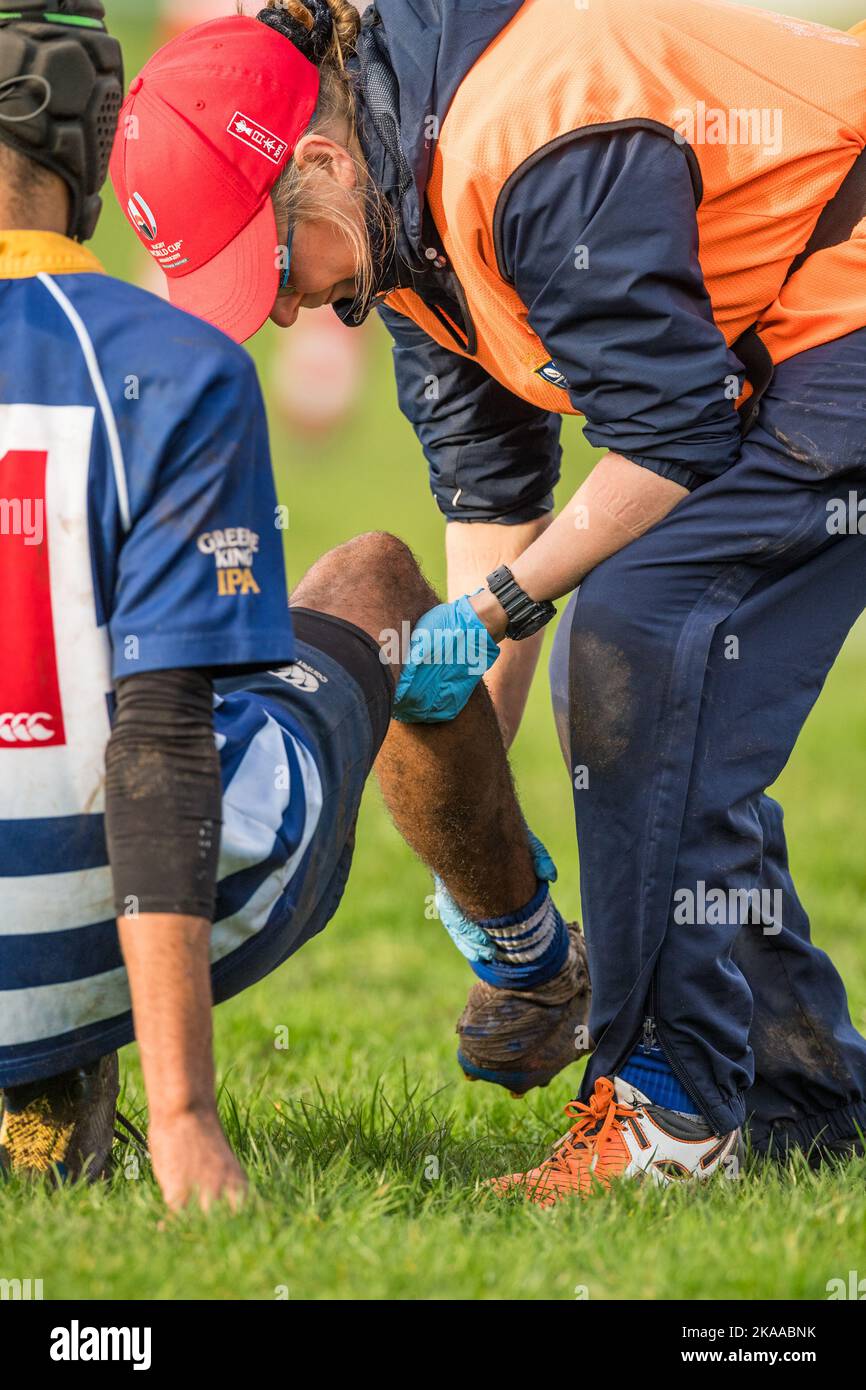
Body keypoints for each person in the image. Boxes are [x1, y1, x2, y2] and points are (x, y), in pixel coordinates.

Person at [111, 0, 866, 1199]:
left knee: (643, 640)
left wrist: (511, 605)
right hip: (779, 337)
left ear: (315, 162)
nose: (292, 309)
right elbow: (493, 511)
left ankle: (669, 1111)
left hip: (843, 300)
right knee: (657, 691)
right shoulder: (396, 227)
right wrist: (488, 877)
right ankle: (804, 1096)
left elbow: (670, 434)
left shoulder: (524, 143)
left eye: (276, 267)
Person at [0, 0, 591, 1213]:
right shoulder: (168, 369)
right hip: (85, 935)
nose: (279, 309)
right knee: (364, 579)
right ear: (84, 162)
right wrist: (185, 1118)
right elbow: (158, 751)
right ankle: (527, 960)